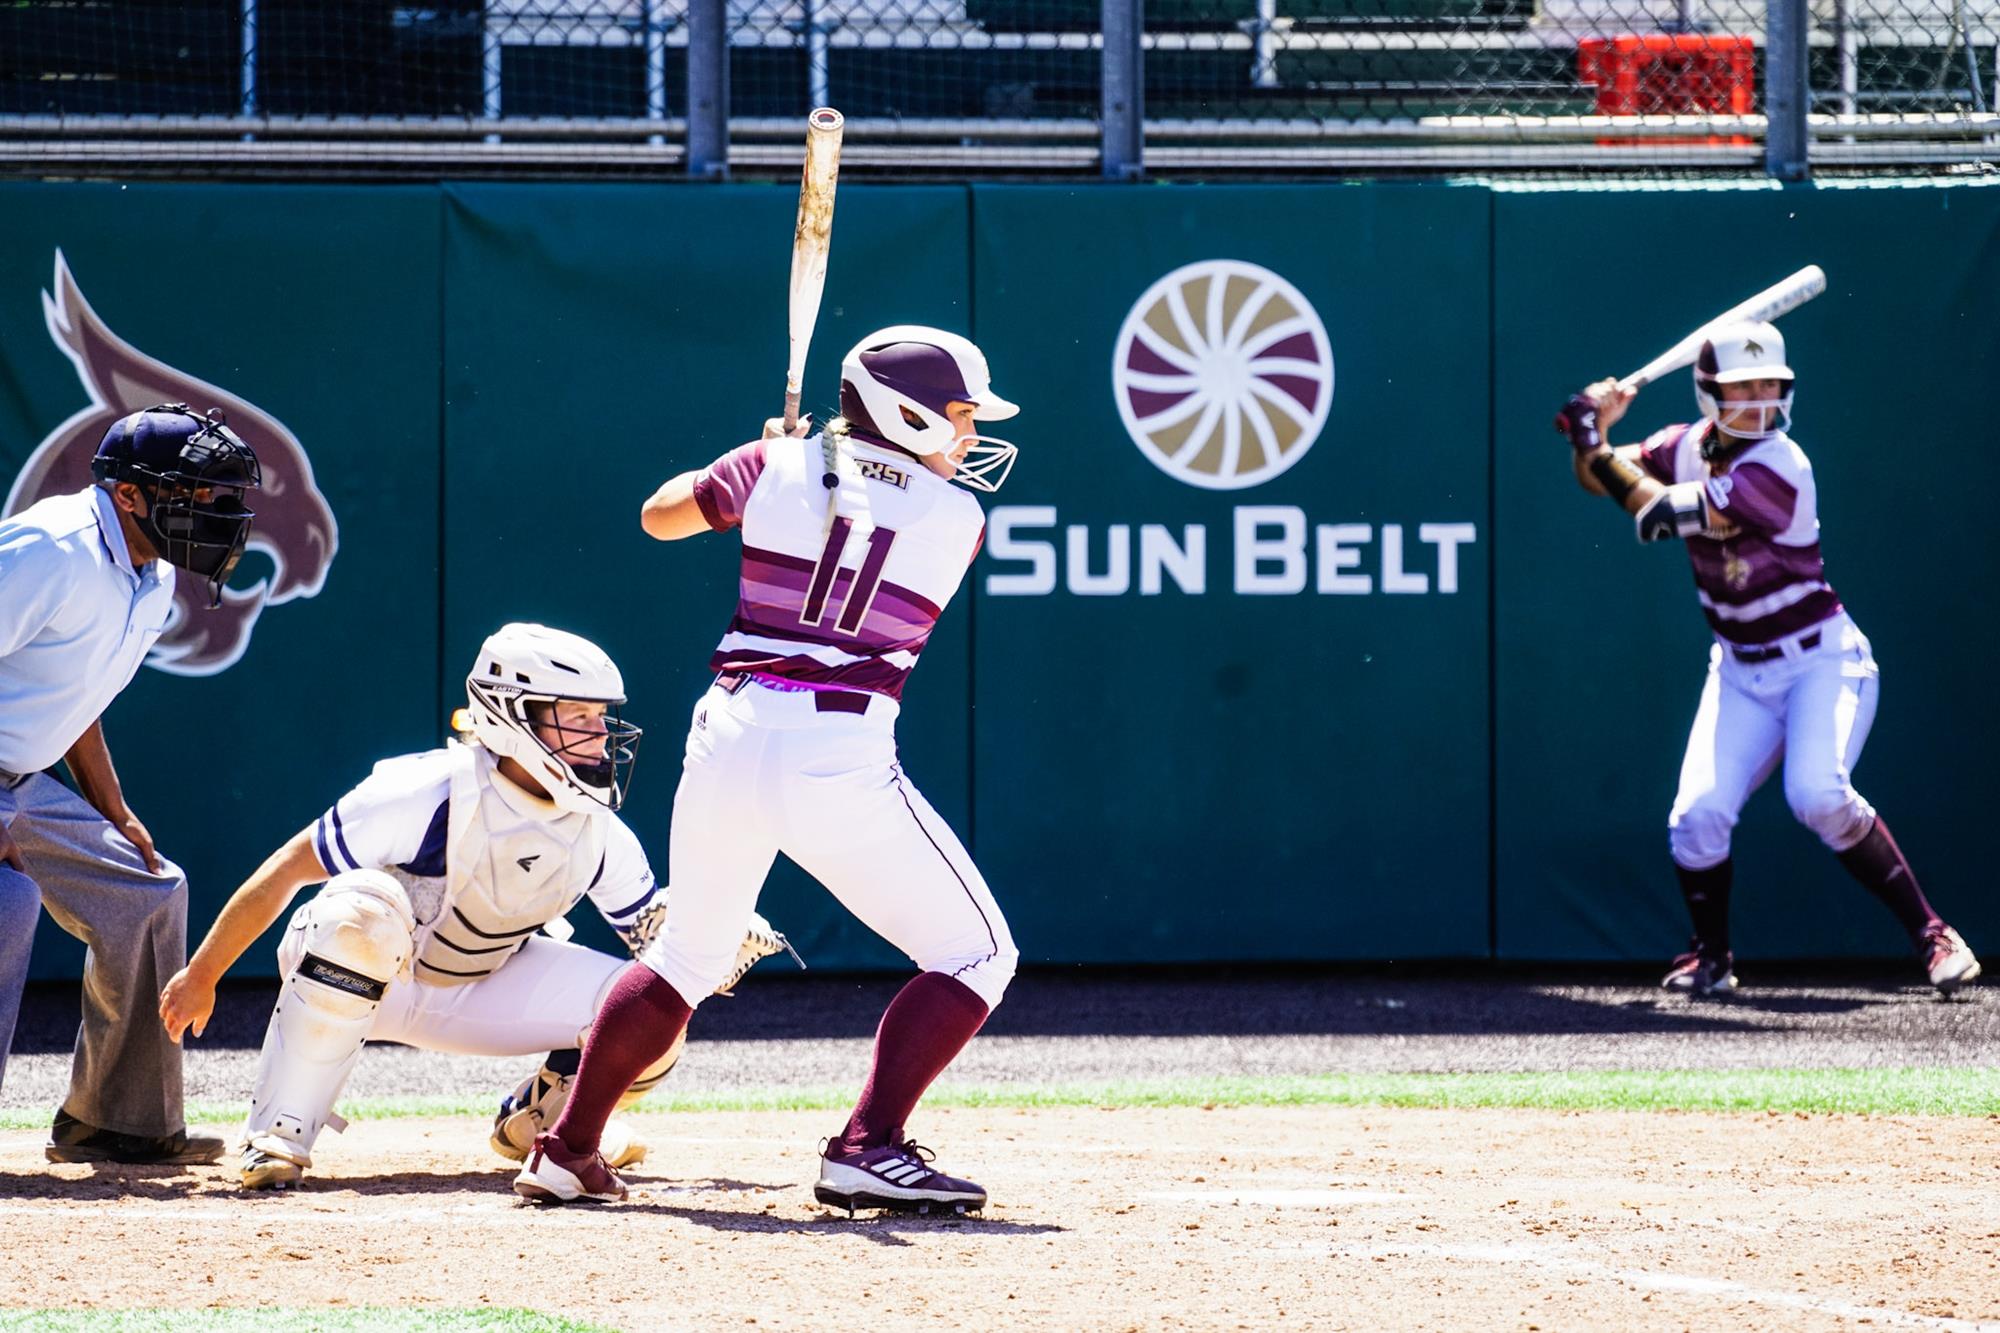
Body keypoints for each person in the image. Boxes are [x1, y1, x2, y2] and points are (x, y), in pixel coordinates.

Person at [512, 326, 1022, 1214]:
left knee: (684, 957)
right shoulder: (959, 518)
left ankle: (566, 1149)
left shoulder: (771, 466)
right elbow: (878, 499)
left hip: (731, 730)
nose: (968, 436)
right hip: (838, 750)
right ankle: (869, 1145)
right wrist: (801, 464)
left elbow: (660, 514)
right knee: (979, 953)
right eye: (958, 417)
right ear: (904, 413)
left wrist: (768, 457)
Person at [157, 622, 793, 1189]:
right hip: (367, 971)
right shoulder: (428, 787)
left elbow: (653, 948)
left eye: (601, 718)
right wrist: (204, 974)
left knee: (655, 1018)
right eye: (579, 717)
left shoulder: (598, 827)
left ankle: (538, 1126)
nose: (600, 736)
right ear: (512, 714)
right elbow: (286, 870)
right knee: (362, 913)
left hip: (483, 986)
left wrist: (709, 940)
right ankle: (280, 1132)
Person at [1554, 321, 1982, 996]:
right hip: (1741, 669)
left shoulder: (1781, 466)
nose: (1759, 400)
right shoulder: (1682, 446)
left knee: (1817, 795)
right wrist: (1594, 438)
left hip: (1821, 661)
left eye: (1769, 385)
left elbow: (1657, 512)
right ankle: (1712, 956)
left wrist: (1591, 439)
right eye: (1741, 387)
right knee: (1695, 818)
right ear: (1708, 395)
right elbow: (1597, 481)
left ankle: (1933, 933)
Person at [0, 403, 259, 1164]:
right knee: (8, 901)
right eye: (199, 493)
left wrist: (113, 809)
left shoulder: (154, 577)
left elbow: (74, 696)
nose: (218, 511)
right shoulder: (55, 548)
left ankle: (117, 1118)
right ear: (130, 496)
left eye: (221, 496)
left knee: (147, 889)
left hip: (22, 780)